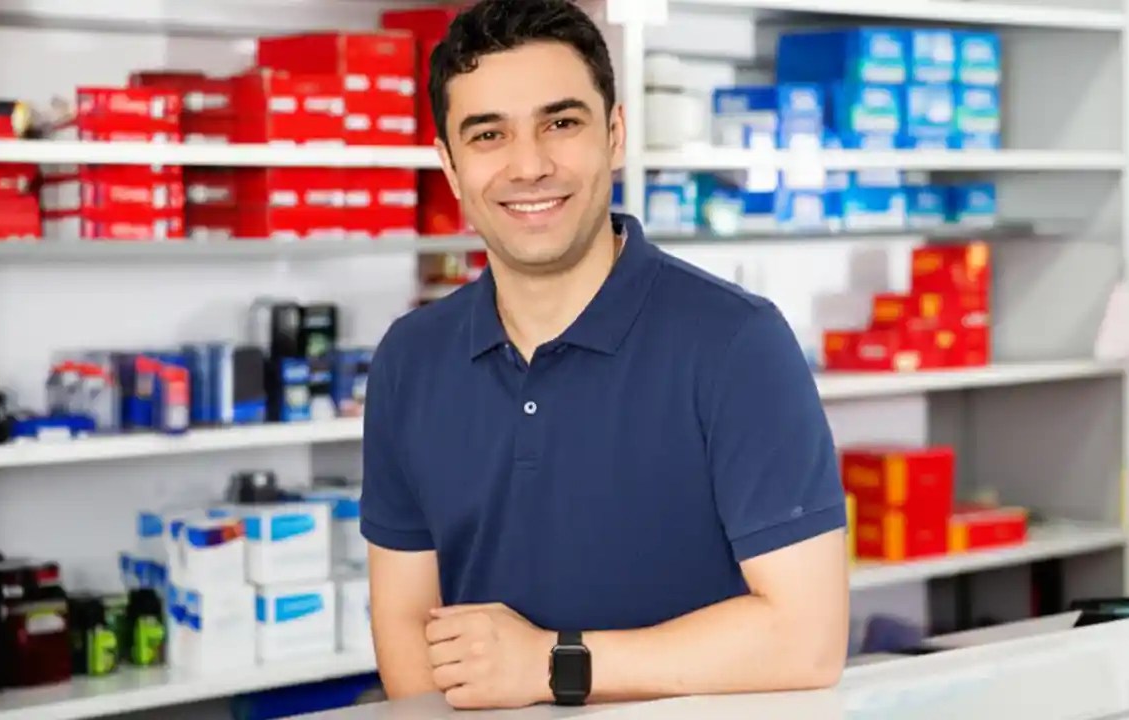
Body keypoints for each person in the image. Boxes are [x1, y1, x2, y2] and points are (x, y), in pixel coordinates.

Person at [360, 0, 849, 710]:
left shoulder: (736, 343)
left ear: (614, 134)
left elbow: (807, 639)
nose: (529, 166)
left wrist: (552, 664)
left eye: (561, 123)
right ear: (451, 165)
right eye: (488, 135)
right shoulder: (410, 360)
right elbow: (407, 626)